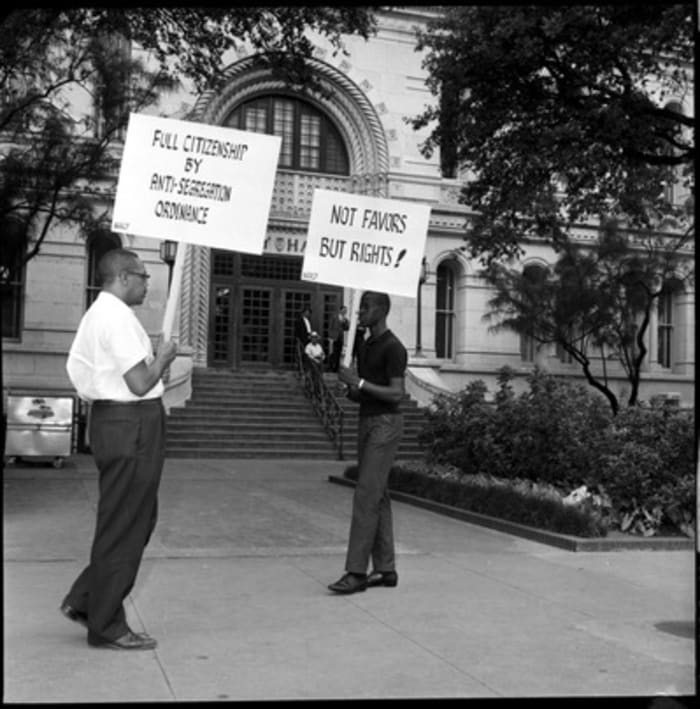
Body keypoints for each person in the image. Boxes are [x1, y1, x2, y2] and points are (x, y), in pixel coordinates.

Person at [60, 248, 177, 651]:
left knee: (131, 519)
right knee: (127, 523)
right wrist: (162, 359)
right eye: (143, 276)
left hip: (117, 422)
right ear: (124, 277)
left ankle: (87, 599)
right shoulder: (116, 318)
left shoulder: (99, 313)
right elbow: (141, 382)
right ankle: (106, 622)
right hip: (132, 423)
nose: (148, 283)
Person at [329, 291, 407, 594]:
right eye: (360, 307)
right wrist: (351, 390)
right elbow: (365, 391)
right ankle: (386, 569)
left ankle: (356, 572)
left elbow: (396, 393)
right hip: (367, 419)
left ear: (382, 311)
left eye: (366, 307)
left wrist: (358, 382)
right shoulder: (367, 344)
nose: (360, 312)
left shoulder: (394, 347)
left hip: (386, 424)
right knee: (378, 494)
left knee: (365, 495)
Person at [327, 305, 350, 372]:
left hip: (340, 338)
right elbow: (330, 327)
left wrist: (346, 322)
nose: (345, 312)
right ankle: (331, 367)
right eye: (344, 310)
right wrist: (330, 337)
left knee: (339, 353)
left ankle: (336, 368)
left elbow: (347, 328)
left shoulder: (345, 319)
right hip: (334, 337)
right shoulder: (334, 317)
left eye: (346, 311)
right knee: (333, 353)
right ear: (341, 310)